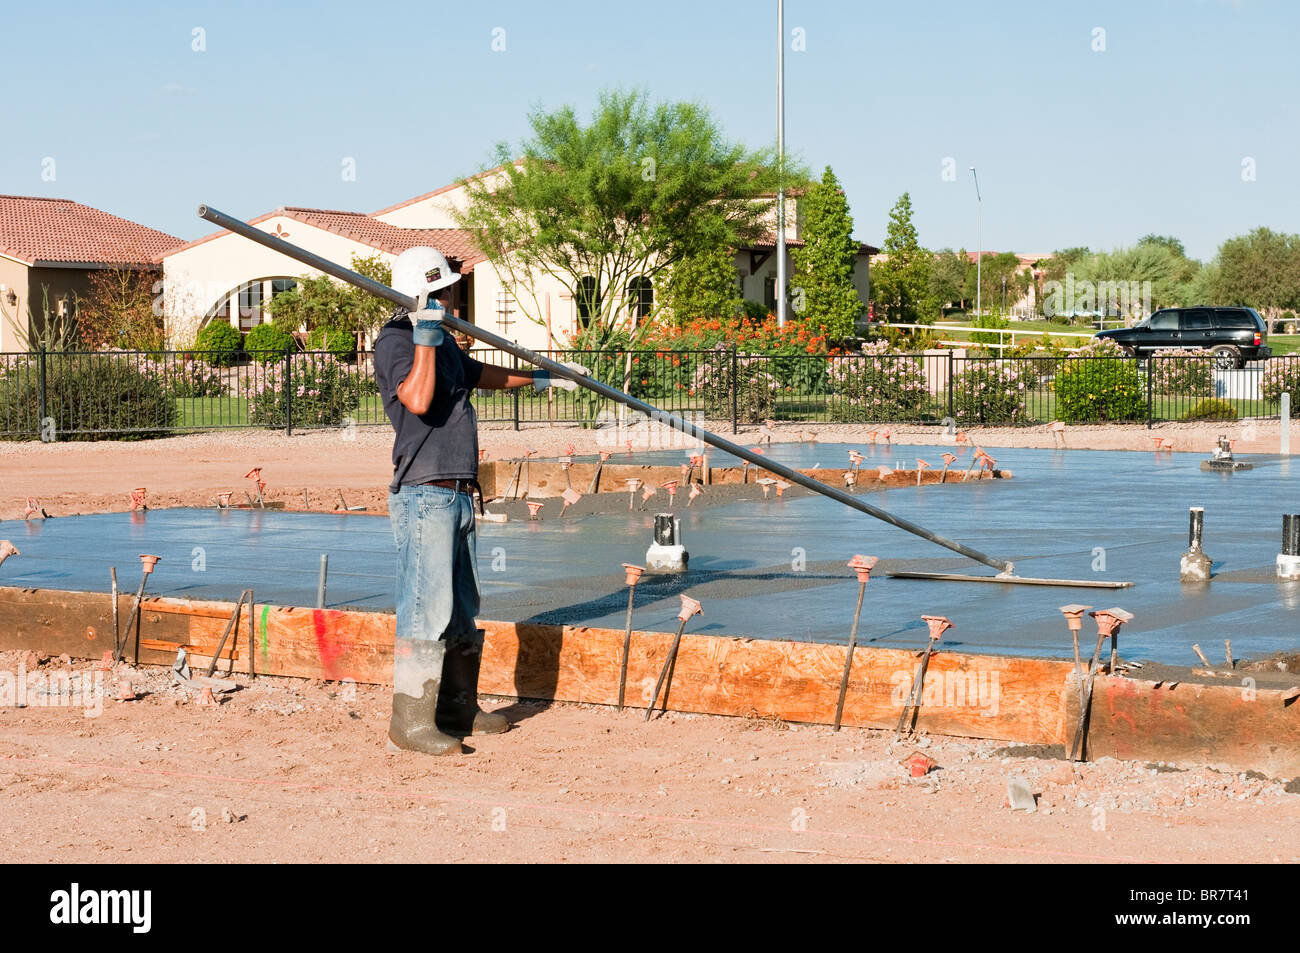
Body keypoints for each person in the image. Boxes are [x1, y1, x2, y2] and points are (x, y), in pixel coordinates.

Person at [374, 246, 585, 755]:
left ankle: (456, 707)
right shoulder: (397, 341)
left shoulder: (442, 343)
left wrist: (542, 377)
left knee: (462, 608)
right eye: (444, 291)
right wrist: (425, 332)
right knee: (426, 610)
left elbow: (476, 373)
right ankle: (412, 721)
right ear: (423, 295)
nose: (452, 299)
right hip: (424, 493)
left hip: (459, 493)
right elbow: (418, 400)